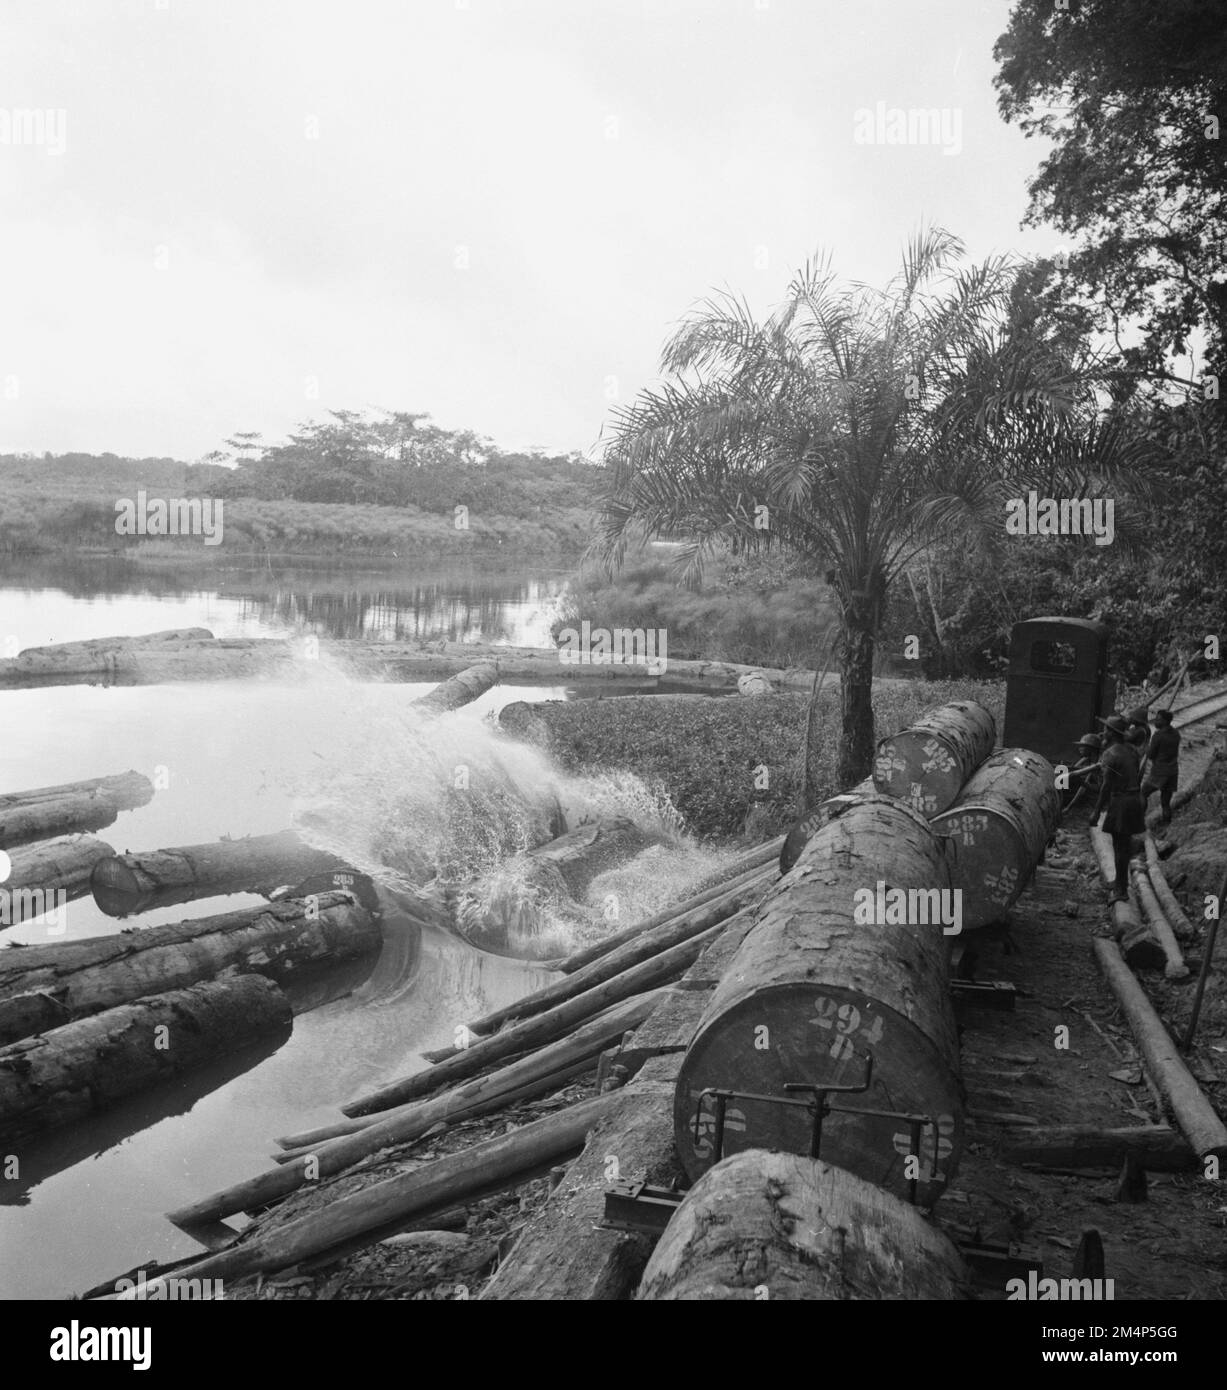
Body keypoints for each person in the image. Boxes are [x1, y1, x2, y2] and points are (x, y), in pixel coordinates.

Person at [1091, 714, 1145, 903]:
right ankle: (1120, 882)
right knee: (1123, 845)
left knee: (1120, 847)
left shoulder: (1111, 753)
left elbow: (1106, 786)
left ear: (1112, 733)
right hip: (1134, 799)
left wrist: (1096, 812)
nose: (1103, 732)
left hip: (1121, 802)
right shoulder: (1131, 750)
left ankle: (1121, 891)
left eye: (1106, 729)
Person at [1142, 707, 1181, 824]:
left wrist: (1147, 747)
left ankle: (1139, 820)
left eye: (1158, 719)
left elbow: (1150, 755)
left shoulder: (1158, 735)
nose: (1155, 721)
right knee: (1165, 802)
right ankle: (1166, 825)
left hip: (1160, 771)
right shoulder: (1176, 733)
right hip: (1173, 771)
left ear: (1165, 721)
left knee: (1143, 793)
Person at [1063, 733, 1103, 810]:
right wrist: (1069, 807)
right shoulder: (1091, 760)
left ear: (1091, 749)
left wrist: (1081, 782)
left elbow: (1100, 789)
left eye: (1082, 746)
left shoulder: (1101, 764)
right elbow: (1083, 787)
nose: (1079, 748)